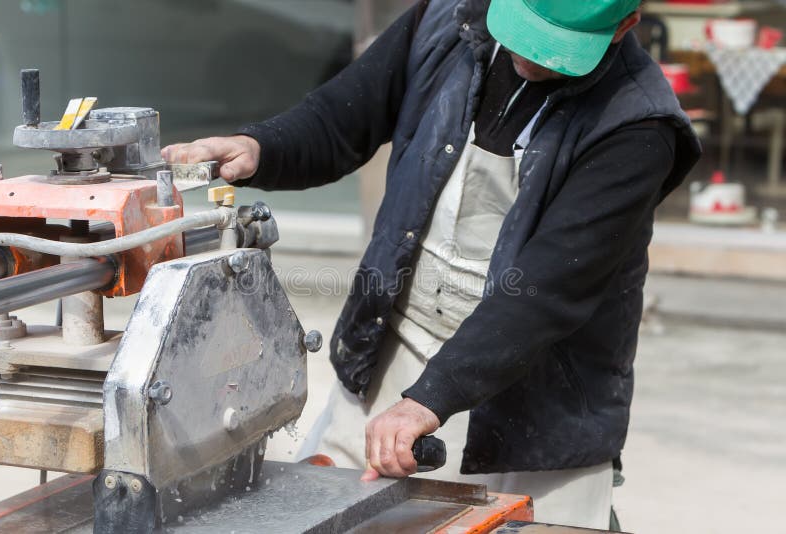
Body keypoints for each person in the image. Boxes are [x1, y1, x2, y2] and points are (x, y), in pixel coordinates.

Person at [163, 0, 701, 528]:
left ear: (624, 25)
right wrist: (259, 146)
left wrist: (430, 400)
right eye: (521, 28)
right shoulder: (446, 23)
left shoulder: (637, 124)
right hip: (394, 344)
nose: (528, 57)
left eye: (553, 48)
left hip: (537, 393)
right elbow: (338, 120)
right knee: (320, 512)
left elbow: (544, 291)